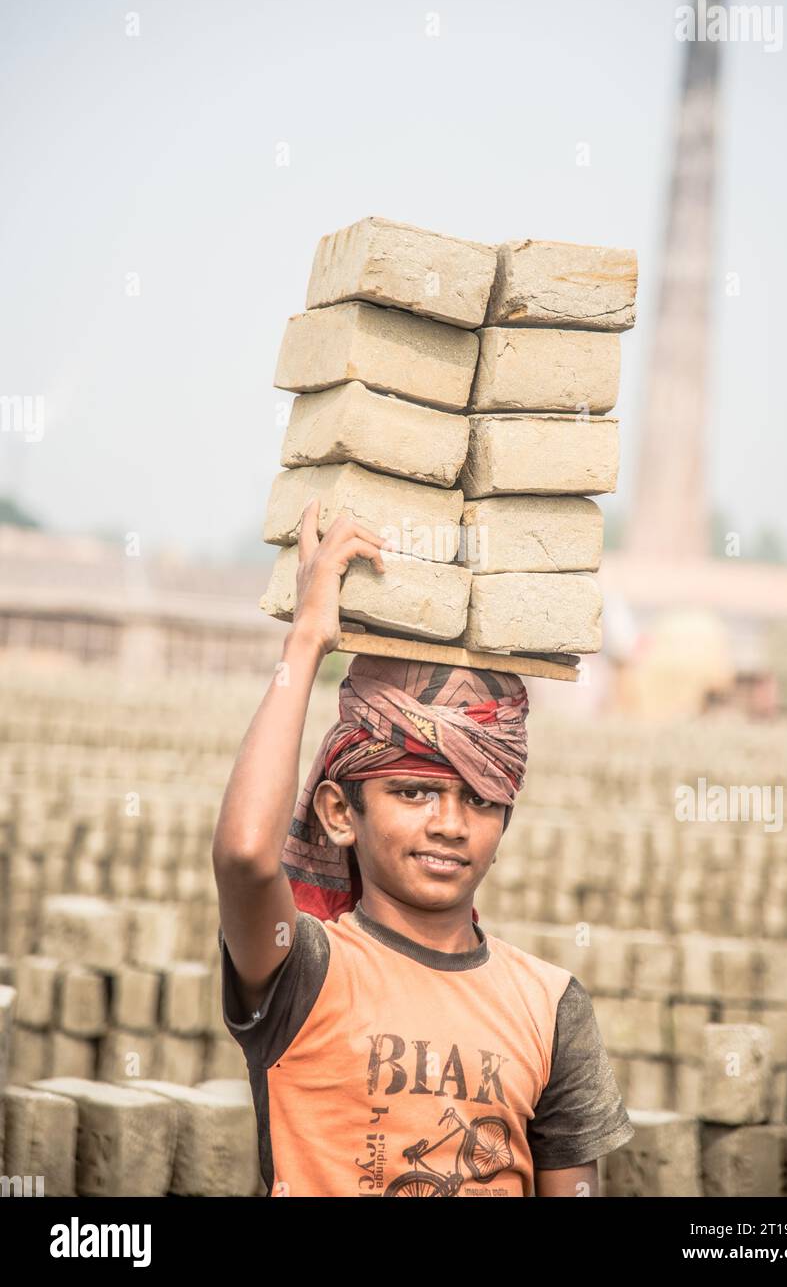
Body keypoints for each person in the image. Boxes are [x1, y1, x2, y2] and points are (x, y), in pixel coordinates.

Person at [212, 498, 634, 1198]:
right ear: (339, 812)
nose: (449, 823)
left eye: (480, 799)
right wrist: (307, 640)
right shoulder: (304, 970)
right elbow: (245, 858)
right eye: (413, 793)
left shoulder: (550, 1004)